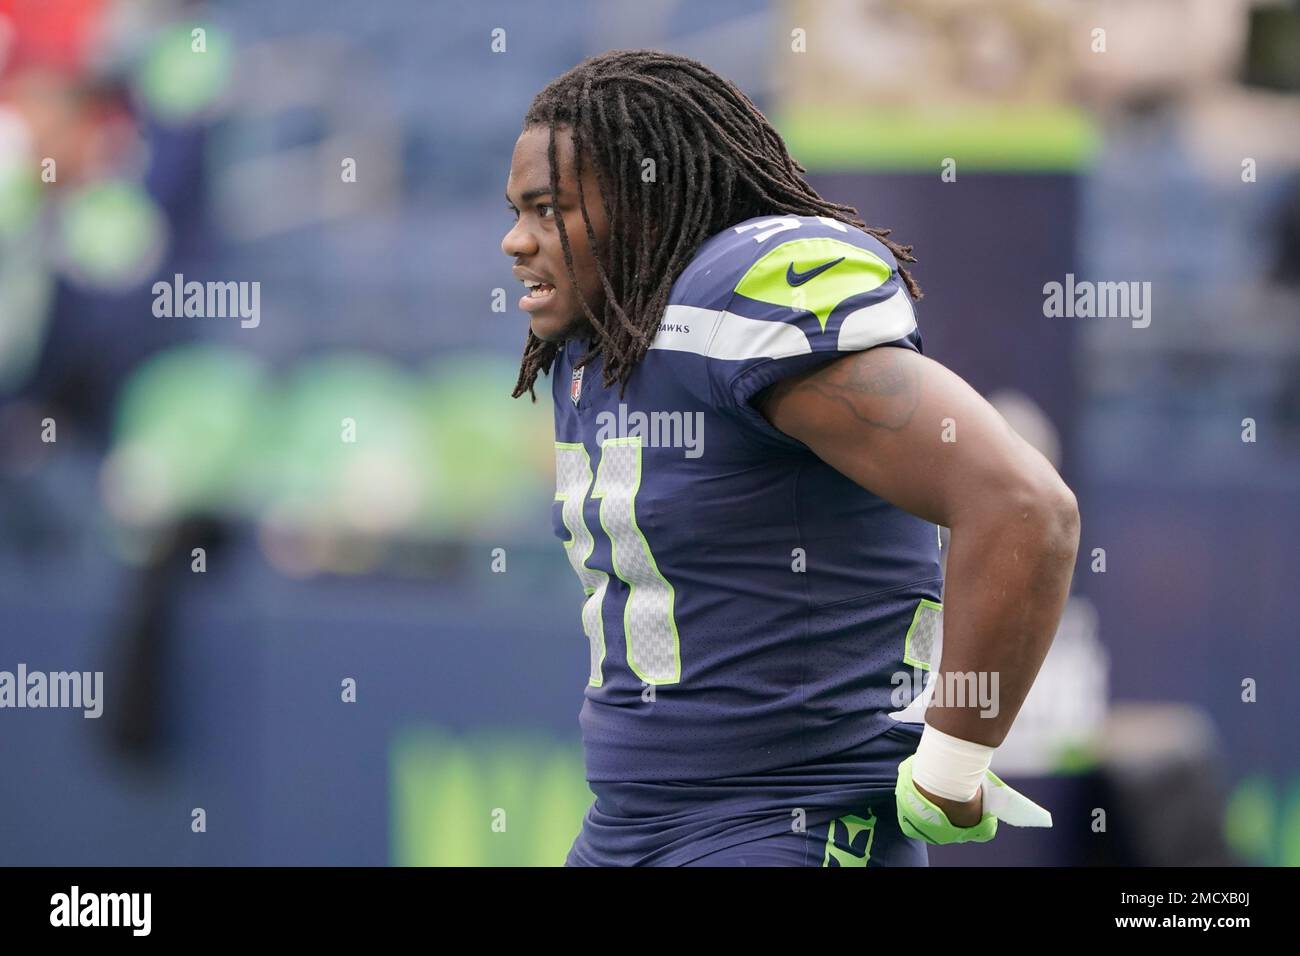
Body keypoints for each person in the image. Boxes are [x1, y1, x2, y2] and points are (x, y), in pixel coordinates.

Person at [500, 50, 1079, 866]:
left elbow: (1024, 505)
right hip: (625, 827)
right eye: (518, 210)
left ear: (643, 204)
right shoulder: (598, 342)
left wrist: (953, 762)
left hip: (791, 824)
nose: (515, 240)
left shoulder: (740, 307)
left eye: (548, 209)